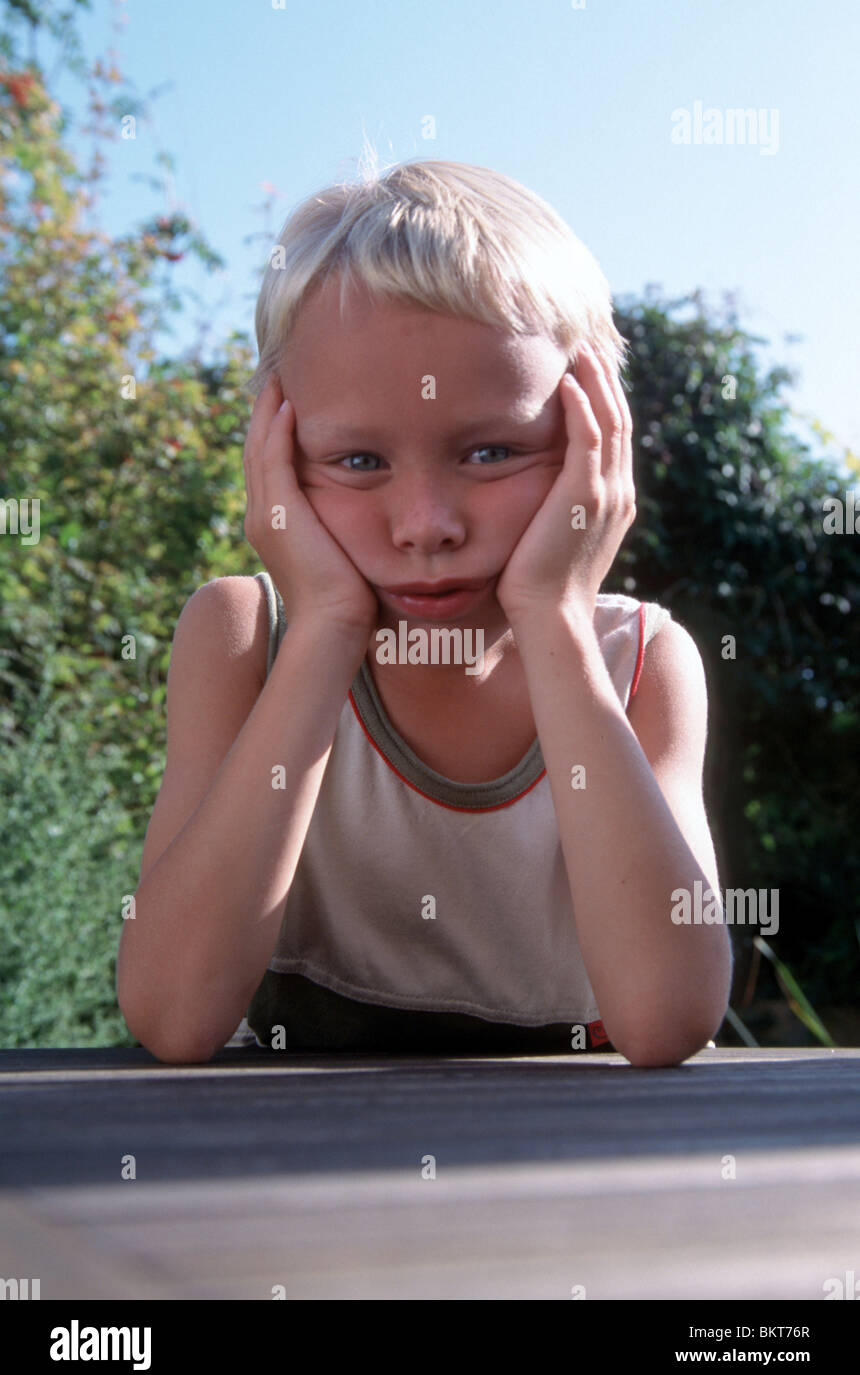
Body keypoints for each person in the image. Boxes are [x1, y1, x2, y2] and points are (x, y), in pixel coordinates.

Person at [116, 159, 732, 1066]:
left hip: (565, 1182)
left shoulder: (639, 663)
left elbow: (669, 1019)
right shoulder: (242, 641)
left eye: (490, 451)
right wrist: (326, 626)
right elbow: (173, 1017)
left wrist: (553, 616)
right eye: (359, 462)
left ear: (591, 448)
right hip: (277, 1177)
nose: (426, 527)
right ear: (276, 452)